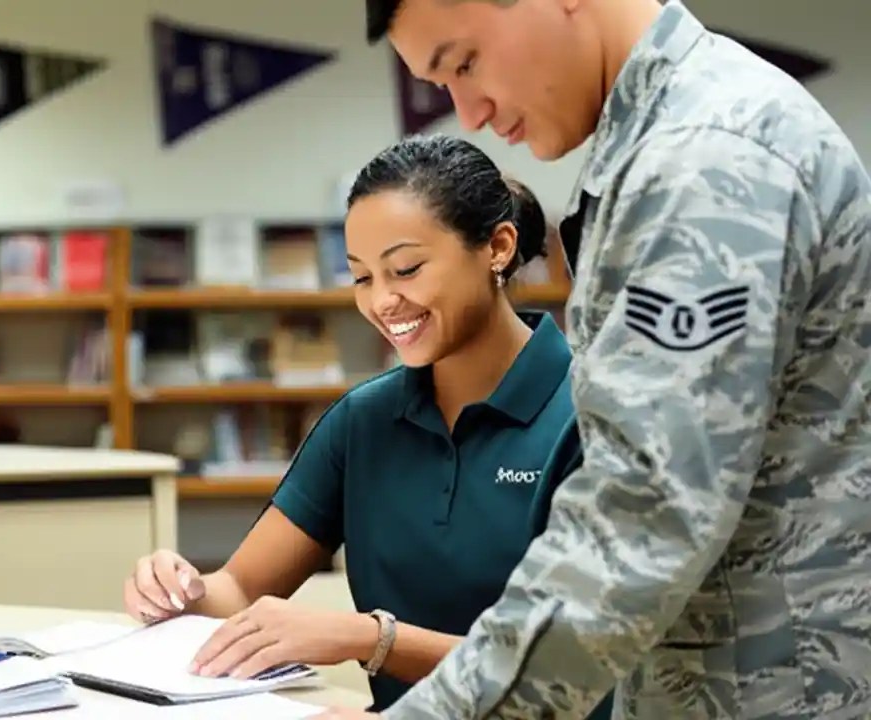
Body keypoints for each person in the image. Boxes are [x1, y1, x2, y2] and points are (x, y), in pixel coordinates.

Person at [313, 0, 871, 718]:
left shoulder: (701, 160)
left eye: (464, 63)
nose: (470, 112)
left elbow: (642, 520)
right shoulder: (658, 144)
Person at [124, 134, 609, 718]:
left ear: (497, 248)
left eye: (405, 269)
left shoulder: (595, 418)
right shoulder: (363, 422)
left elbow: (572, 668)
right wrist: (181, 593)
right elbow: (242, 589)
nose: (383, 301)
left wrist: (369, 639)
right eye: (361, 277)